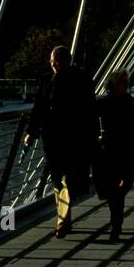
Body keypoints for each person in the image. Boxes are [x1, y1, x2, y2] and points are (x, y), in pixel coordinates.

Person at [25, 45, 97, 239]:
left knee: (66, 179)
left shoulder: (81, 80)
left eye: (55, 60)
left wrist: (93, 135)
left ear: (65, 61)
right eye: (51, 61)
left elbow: (90, 110)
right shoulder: (47, 80)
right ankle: (64, 218)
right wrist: (30, 132)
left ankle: (63, 220)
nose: (52, 64)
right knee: (58, 178)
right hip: (52, 138)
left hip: (74, 137)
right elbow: (38, 107)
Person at [93, 69, 134, 242]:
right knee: (118, 190)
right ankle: (116, 224)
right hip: (123, 153)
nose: (125, 85)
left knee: (116, 190)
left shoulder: (102, 104)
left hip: (114, 152)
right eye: (123, 82)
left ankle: (116, 223)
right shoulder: (132, 105)